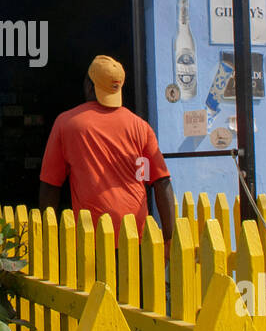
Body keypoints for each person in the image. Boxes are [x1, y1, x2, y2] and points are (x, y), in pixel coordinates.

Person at [38, 55, 176, 250]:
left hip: (92, 239)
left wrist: (48, 236)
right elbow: (161, 182)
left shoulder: (67, 123)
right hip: (137, 237)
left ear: (88, 85)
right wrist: (170, 240)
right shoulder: (140, 126)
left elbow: (50, 185)